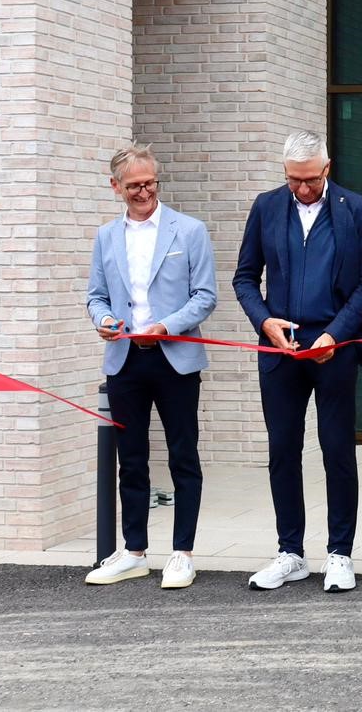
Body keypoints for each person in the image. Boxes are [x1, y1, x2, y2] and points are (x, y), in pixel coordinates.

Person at [233, 130, 362, 593]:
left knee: (337, 450)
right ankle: (290, 552)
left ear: (327, 168)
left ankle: (340, 554)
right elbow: (244, 278)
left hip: (333, 349)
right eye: (293, 179)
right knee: (283, 452)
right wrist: (265, 323)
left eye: (310, 179)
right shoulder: (266, 206)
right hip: (281, 351)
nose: (302, 188)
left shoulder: (353, 208)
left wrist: (335, 333)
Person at [85, 144, 217, 589]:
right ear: (116, 187)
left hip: (174, 358)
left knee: (183, 456)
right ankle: (134, 550)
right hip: (123, 361)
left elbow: (205, 296)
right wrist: (102, 319)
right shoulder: (106, 236)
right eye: (134, 185)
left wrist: (165, 326)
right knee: (132, 459)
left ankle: (182, 553)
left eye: (150, 183)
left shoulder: (190, 230)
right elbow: (96, 295)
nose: (144, 191)